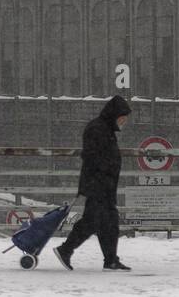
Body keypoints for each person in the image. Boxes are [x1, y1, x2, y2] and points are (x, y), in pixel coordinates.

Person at [54, 94, 132, 271]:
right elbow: (92, 157)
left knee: (107, 222)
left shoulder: (105, 129)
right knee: (94, 222)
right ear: (115, 115)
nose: (123, 122)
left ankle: (110, 260)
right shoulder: (97, 129)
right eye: (122, 118)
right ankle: (66, 249)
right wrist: (106, 171)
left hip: (104, 186)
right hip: (98, 186)